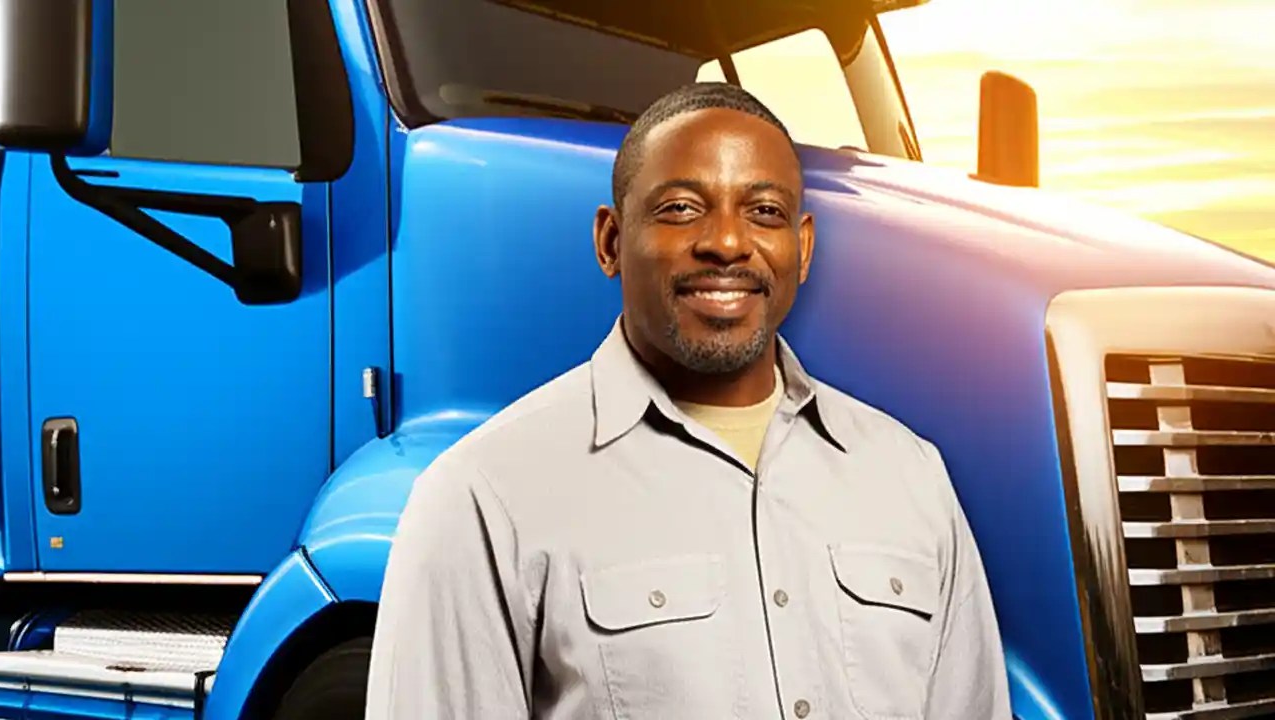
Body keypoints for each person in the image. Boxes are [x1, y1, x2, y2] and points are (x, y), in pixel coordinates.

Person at [365, 82, 1012, 720]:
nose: (727, 243)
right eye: (680, 208)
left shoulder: (910, 476)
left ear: (803, 247)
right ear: (611, 242)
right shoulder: (483, 497)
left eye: (763, 211)